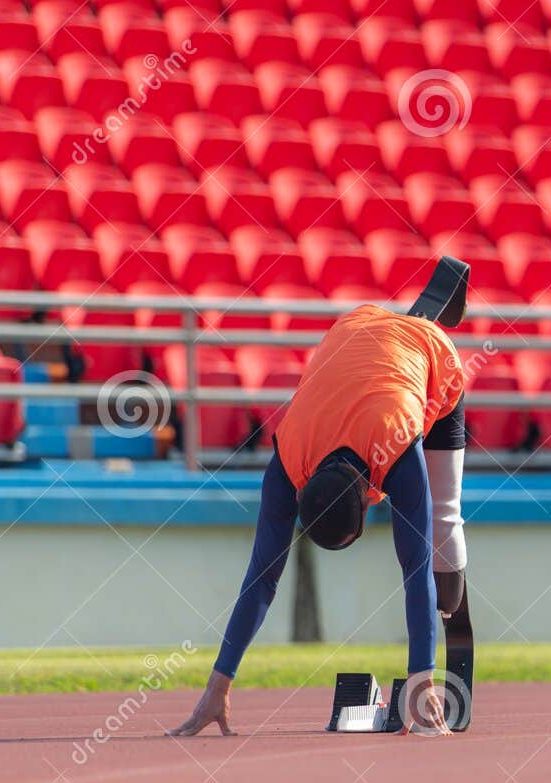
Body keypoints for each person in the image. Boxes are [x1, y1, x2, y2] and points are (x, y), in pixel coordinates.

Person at [168, 300, 468, 737]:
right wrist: (218, 685)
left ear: (369, 500)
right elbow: (262, 578)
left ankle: (454, 600)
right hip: (358, 327)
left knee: (440, 518)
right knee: (420, 539)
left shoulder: (398, 444)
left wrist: (422, 681)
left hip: (425, 356)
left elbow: (416, 570)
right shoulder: (289, 458)